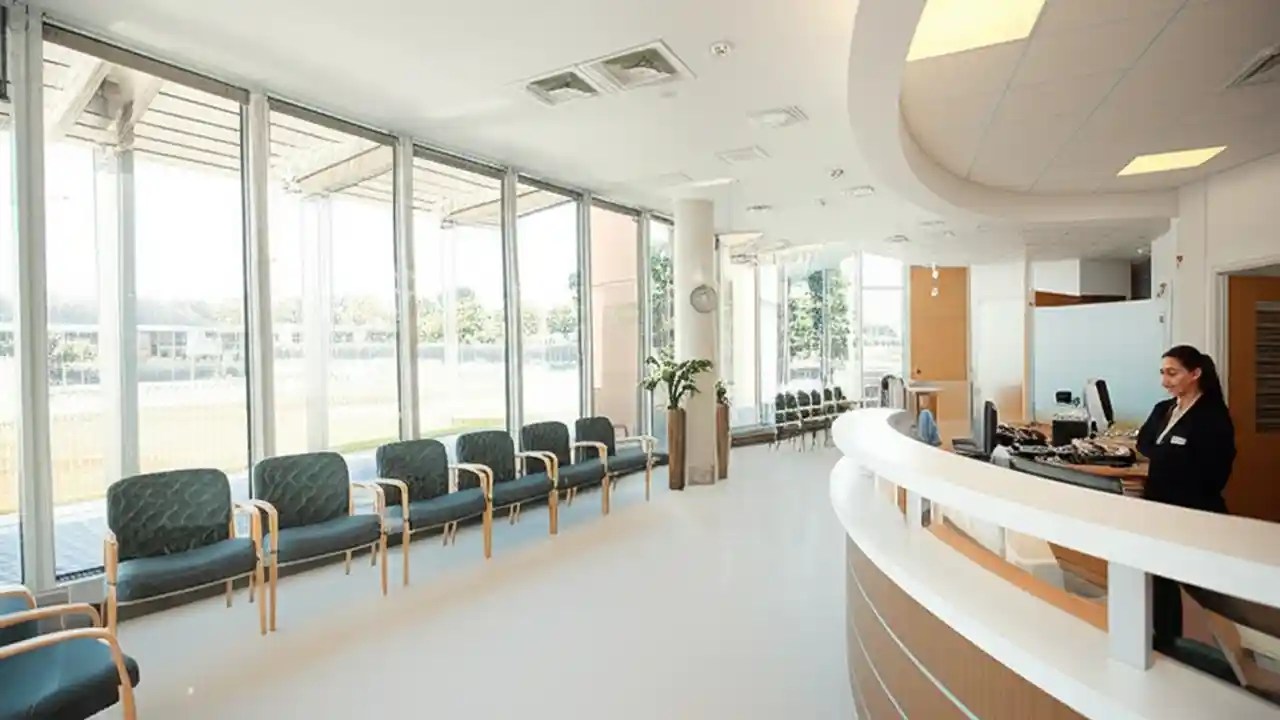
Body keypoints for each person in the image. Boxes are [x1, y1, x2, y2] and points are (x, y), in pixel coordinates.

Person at [1136, 345, 1236, 649]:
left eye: (1172, 373)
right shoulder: (1163, 409)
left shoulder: (1212, 416)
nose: (1165, 380)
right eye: (1163, 373)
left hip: (1195, 511)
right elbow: (1145, 443)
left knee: (1206, 590)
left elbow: (1214, 471)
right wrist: (1170, 454)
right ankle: (1166, 641)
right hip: (1160, 507)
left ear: (1195, 374)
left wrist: (1169, 457)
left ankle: (1233, 653)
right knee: (1161, 582)